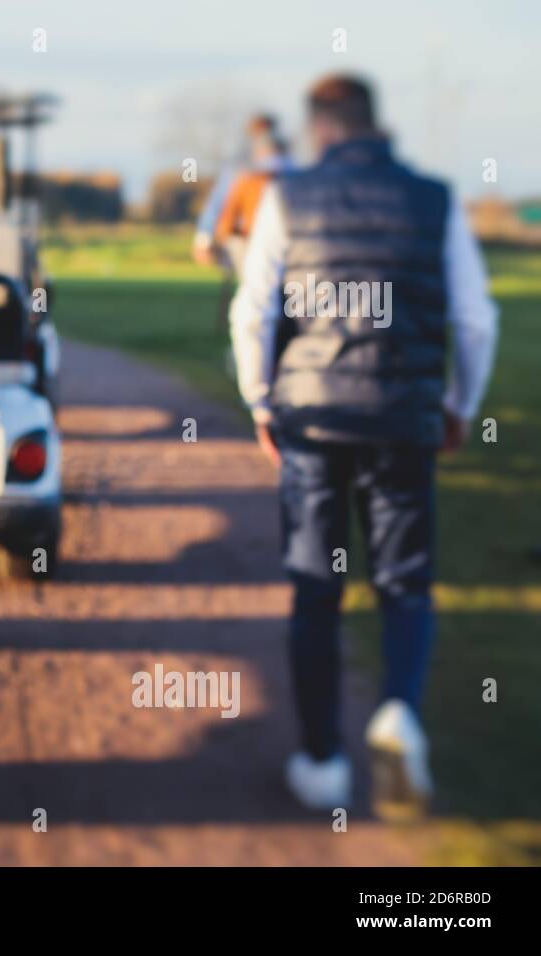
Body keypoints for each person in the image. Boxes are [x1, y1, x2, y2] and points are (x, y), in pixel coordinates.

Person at [229, 75, 498, 818]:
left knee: (315, 588)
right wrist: (459, 405)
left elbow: (252, 311)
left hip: (310, 422)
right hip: (404, 418)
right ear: (377, 125)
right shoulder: (436, 200)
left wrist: (259, 402)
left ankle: (321, 763)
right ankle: (397, 713)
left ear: (321, 131)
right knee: (404, 581)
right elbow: (476, 321)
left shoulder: (288, 197)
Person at [192, 113, 293, 269]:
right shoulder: (239, 170)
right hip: (253, 239)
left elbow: (221, 209)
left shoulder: (245, 173)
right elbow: (219, 204)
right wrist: (204, 239)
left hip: (264, 240)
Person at [213, 129, 290, 276]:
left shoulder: (248, 179)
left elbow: (228, 218)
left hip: (253, 241)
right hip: (288, 242)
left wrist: (224, 241)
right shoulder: (299, 176)